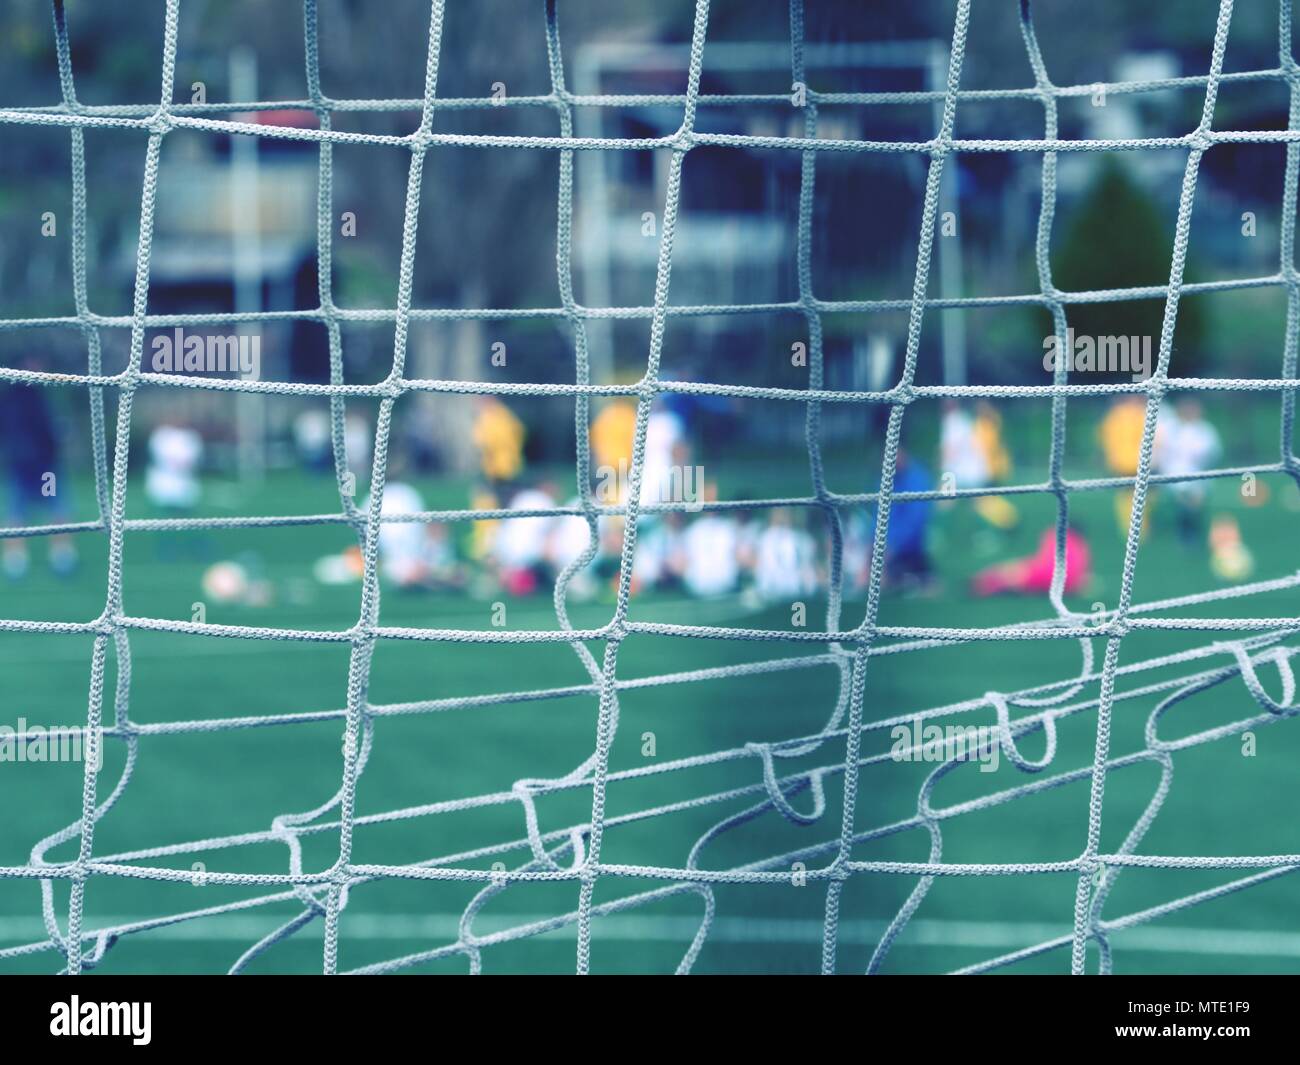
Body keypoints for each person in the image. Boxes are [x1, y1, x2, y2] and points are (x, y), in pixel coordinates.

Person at [0, 374, 77, 578]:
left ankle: (18, 561)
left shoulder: (9, 401)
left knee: (23, 510)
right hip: (41, 466)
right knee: (49, 507)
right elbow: (51, 432)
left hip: (27, 465)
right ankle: (60, 558)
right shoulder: (38, 401)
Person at [1153, 398, 1222, 546]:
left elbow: (1213, 453)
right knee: (1184, 501)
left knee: (1195, 504)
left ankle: (1191, 531)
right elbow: (1160, 448)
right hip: (1174, 474)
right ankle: (1185, 533)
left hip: (1198, 475)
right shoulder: (1171, 427)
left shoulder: (1205, 430)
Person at [868, 449, 936, 592]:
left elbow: (915, 519)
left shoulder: (916, 478)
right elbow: (877, 516)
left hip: (910, 549)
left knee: (923, 585)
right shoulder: (886, 479)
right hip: (888, 547)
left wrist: (892, 546)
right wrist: (874, 543)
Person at [971, 525, 1092, 597]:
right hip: (1067, 584)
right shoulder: (1083, 547)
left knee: (1007, 571)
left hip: (1044, 573)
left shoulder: (1053, 533)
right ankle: (1011, 588)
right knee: (1019, 573)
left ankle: (977, 586)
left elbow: (1044, 560)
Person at [1098, 395, 1150, 539]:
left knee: (1127, 493)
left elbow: (1105, 438)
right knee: (1136, 493)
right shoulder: (1139, 414)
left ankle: (1129, 526)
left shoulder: (1114, 415)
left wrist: (1110, 457)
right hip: (1135, 461)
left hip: (1122, 461)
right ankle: (1138, 528)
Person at [752, 508, 818, 602]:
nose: (782, 518)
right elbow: (762, 564)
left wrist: (809, 588)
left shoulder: (803, 538)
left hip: (796, 593)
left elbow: (807, 565)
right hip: (770, 592)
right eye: (779, 514)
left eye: (785, 514)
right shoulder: (765, 538)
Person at [471, 395, 526, 490]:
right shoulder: (497, 414)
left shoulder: (495, 415)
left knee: (501, 491)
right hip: (500, 462)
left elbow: (488, 440)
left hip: (501, 462)